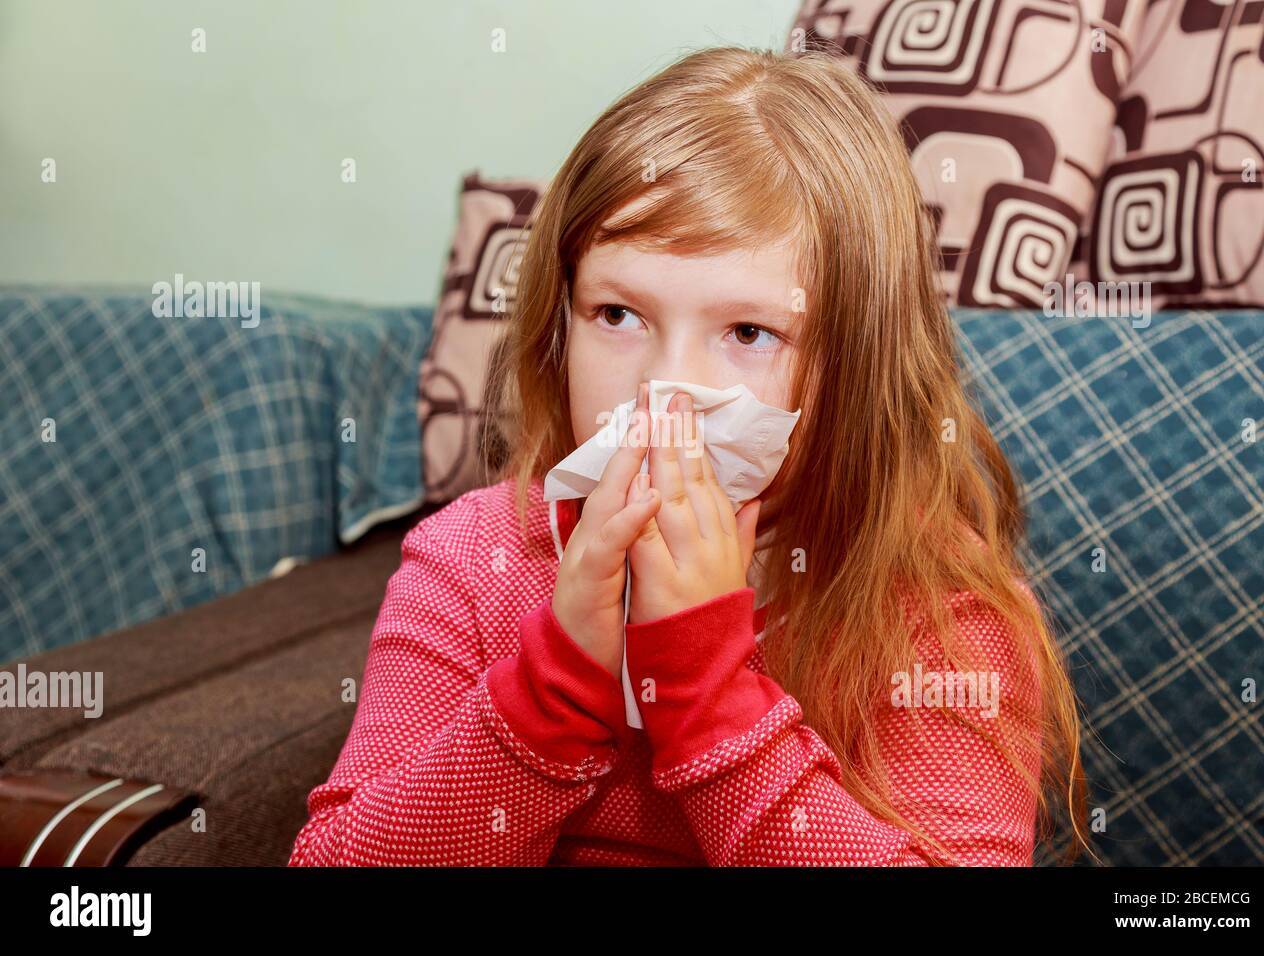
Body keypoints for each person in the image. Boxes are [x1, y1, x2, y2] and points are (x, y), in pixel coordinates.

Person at [288, 46, 1092, 867]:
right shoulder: (472, 561)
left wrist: (709, 694)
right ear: (558, 327)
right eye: (618, 315)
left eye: (748, 333)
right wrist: (553, 689)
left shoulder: (937, 615)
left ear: (856, 364)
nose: (667, 394)